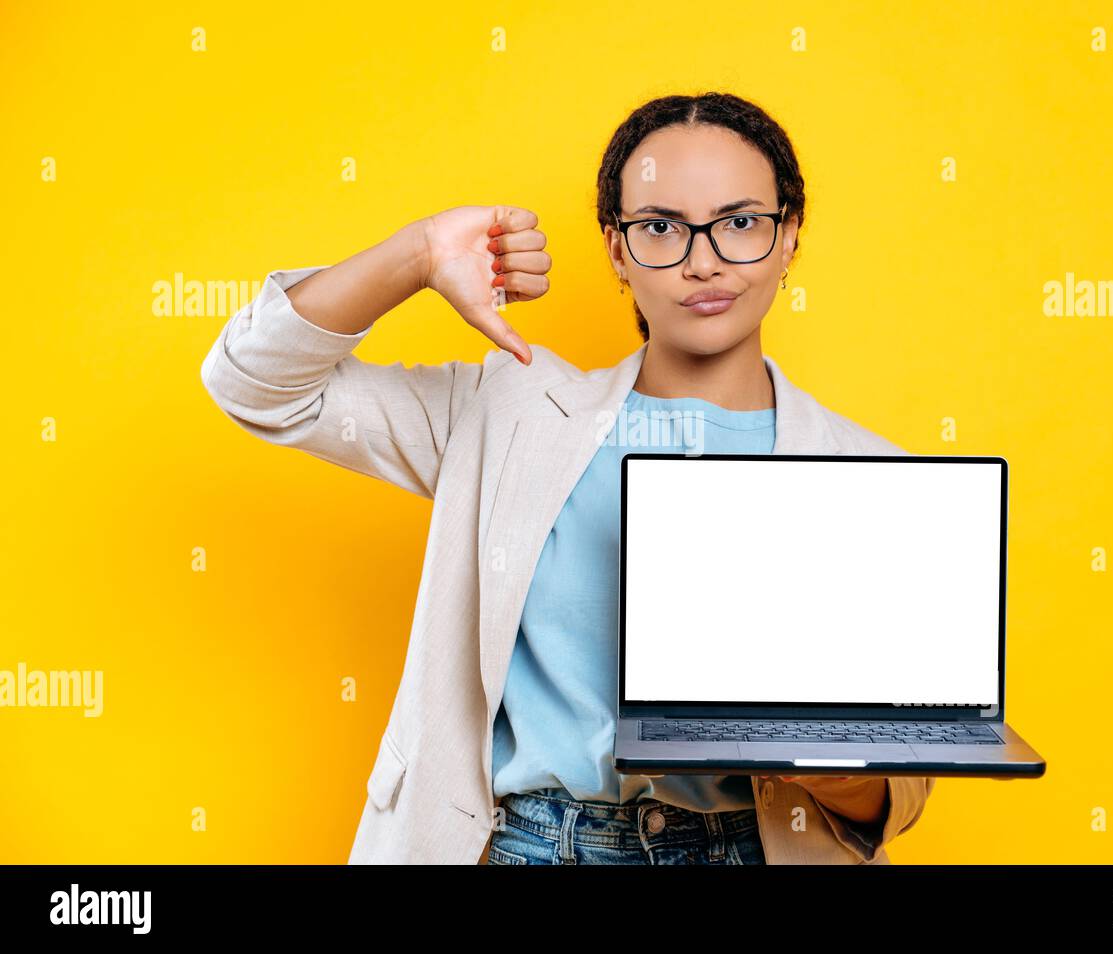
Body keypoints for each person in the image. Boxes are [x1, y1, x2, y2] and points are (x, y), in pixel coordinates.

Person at [200, 91, 936, 865]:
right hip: (528, 845)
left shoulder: (874, 477)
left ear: (789, 238)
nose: (703, 259)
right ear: (616, 250)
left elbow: (895, 797)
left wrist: (792, 743)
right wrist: (416, 254)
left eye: (741, 222)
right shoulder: (506, 413)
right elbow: (255, 383)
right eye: (660, 227)